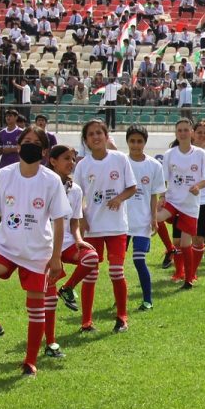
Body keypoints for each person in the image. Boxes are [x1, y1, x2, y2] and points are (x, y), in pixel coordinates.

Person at [0, 126, 71, 376]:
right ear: (19, 146)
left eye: (37, 142)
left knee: (36, 308)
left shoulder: (51, 180)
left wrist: (56, 257)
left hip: (37, 253)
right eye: (27, 141)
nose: (30, 145)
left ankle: (30, 361)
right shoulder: (3, 175)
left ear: (44, 151)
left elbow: (58, 221)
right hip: (5, 247)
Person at [74, 119, 137, 332]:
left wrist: (119, 198)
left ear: (106, 135)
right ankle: (86, 322)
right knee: (90, 274)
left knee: (116, 272)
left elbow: (132, 188)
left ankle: (121, 318)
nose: (96, 137)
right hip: (93, 228)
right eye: (91, 134)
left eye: (99, 133)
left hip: (117, 227)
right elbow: (78, 196)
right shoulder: (82, 166)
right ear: (86, 140)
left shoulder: (120, 159)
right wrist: (82, 218)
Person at [46, 144, 100, 351]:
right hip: (44, 246)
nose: (71, 163)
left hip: (67, 242)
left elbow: (74, 222)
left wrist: (78, 239)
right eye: (66, 158)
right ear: (53, 161)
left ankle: (67, 287)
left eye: (73, 159)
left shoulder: (75, 189)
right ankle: (50, 343)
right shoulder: (44, 185)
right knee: (48, 299)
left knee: (91, 257)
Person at [162, 118, 205, 289]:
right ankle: (171, 253)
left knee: (187, 243)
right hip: (173, 202)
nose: (183, 133)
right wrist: (161, 198)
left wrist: (197, 186)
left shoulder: (201, 154)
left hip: (191, 205)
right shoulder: (169, 154)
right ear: (176, 133)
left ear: (191, 133)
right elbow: (164, 180)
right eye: (180, 130)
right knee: (155, 217)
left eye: (186, 130)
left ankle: (189, 276)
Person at [124, 126, 166, 312]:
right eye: (132, 141)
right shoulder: (121, 162)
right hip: (121, 222)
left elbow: (153, 195)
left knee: (139, 260)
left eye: (139, 141)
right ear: (127, 142)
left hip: (142, 222)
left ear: (145, 143)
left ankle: (147, 299)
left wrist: (154, 218)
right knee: (117, 265)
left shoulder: (154, 166)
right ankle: (120, 297)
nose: (135, 145)